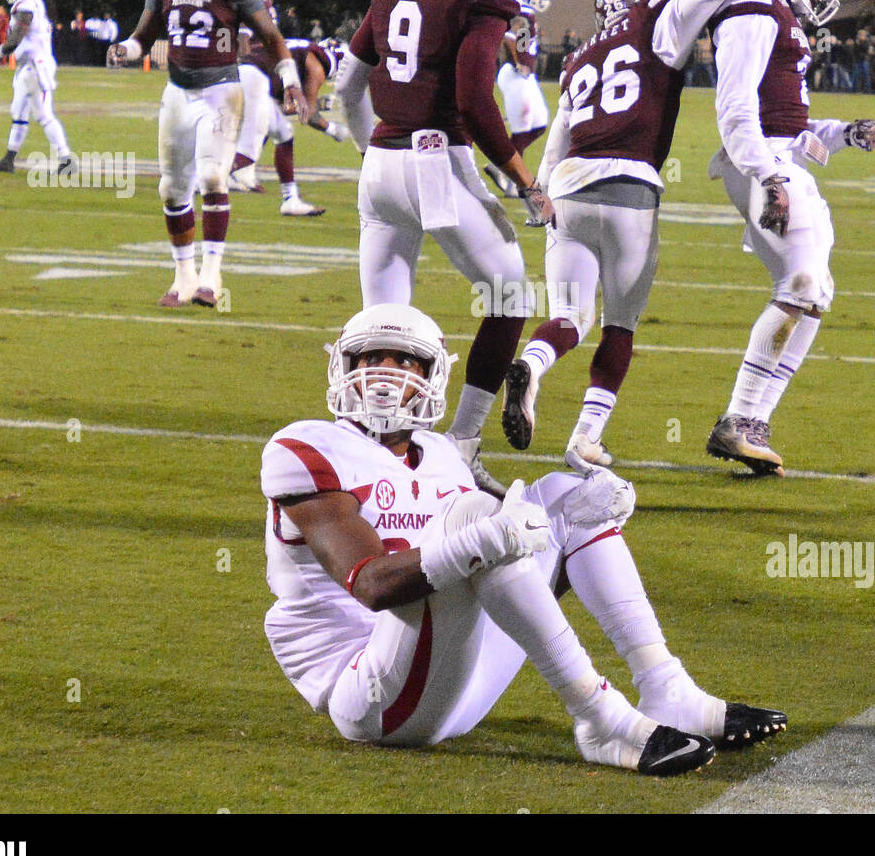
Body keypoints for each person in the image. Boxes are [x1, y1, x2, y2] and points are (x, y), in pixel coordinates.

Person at [261, 301, 787, 771]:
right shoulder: (304, 447)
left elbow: (506, 590)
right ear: (343, 367)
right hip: (372, 697)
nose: (385, 376)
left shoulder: (442, 454)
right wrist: (489, 538)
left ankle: (666, 688)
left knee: (567, 495)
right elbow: (373, 585)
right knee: (477, 520)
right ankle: (600, 717)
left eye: (404, 362)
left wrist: (540, 536)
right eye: (372, 358)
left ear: (432, 376)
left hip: (455, 683)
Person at [502, 0, 822, 472]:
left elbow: (556, 140)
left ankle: (532, 368)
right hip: (629, 186)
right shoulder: (658, 15)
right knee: (620, 326)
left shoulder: (581, 55)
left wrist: (540, 201)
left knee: (568, 318)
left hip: (568, 189)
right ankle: (585, 438)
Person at [332, 0, 555, 497]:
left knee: (382, 320)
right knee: (510, 295)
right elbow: (473, 98)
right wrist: (525, 179)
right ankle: (460, 446)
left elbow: (348, 85)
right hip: (438, 162)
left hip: (380, 165)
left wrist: (365, 146)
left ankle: (368, 462)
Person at [703, 0, 875, 476]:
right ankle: (738, 418)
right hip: (761, 161)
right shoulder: (755, 5)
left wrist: (842, 134)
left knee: (816, 291)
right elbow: (735, 112)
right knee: (801, 283)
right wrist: (768, 177)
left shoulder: (778, 14)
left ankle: (752, 424)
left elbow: (789, 123)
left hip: (776, 156)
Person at [109, 0, 310, 307]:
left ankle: (212, 275)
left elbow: (272, 36)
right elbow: (143, 35)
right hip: (177, 92)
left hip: (220, 90)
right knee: (171, 189)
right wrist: (124, 49)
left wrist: (290, 80)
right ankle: (183, 275)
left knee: (214, 177)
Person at [231, 35, 347, 214]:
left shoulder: (301, 50)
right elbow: (309, 115)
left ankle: (291, 200)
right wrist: (333, 130)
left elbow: (282, 108)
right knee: (248, 151)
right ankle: (200, 178)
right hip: (254, 79)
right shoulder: (317, 63)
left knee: (283, 132)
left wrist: (318, 104)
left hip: (245, 74)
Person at [0, 0, 77, 176]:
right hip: (28, 66)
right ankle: (8, 160)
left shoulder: (26, 5)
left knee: (44, 115)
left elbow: (16, 36)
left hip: (35, 67)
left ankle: (66, 159)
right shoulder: (36, 4)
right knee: (19, 113)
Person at [484, 0, 552, 197]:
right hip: (516, 75)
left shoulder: (525, 13)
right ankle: (516, 183)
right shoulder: (522, 13)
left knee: (540, 122)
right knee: (522, 128)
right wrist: (520, 62)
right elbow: (512, 38)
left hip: (524, 77)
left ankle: (500, 166)